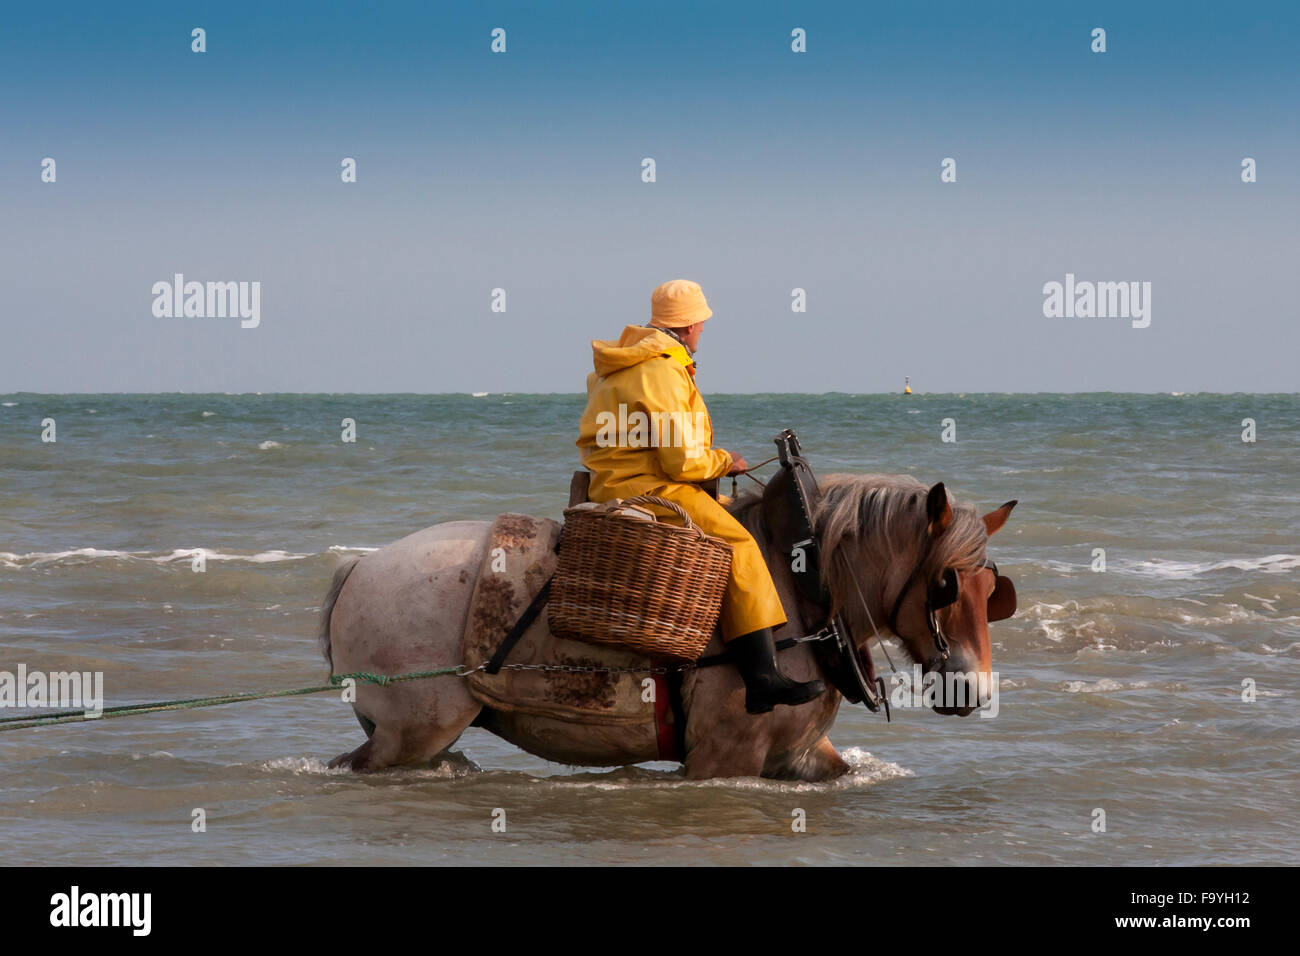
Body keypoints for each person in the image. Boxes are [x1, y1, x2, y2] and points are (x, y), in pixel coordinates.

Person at [575, 279, 826, 713]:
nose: (703, 331)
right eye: (702, 324)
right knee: (741, 546)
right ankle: (763, 679)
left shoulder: (621, 364)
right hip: (649, 488)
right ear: (688, 325)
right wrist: (725, 462)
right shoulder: (661, 370)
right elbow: (681, 462)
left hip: (616, 482)